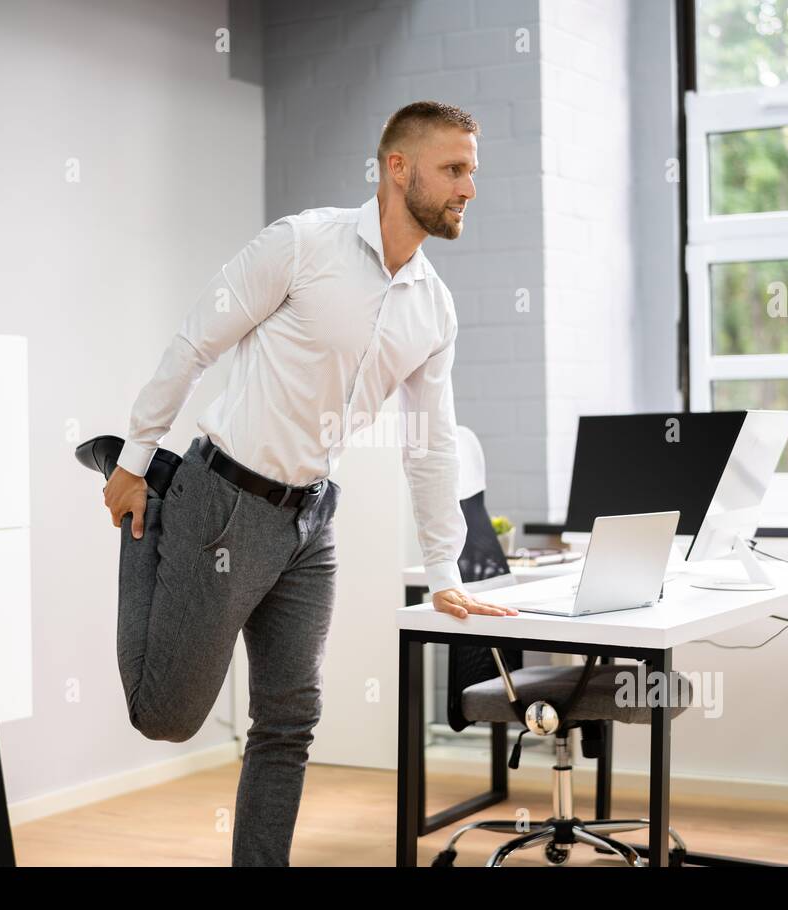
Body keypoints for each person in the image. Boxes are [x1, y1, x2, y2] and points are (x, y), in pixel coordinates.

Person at [80, 100, 516, 867]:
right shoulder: (303, 243)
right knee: (165, 719)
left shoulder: (434, 308)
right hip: (225, 503)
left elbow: (430, 442)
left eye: (473, 172)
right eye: (454, 169)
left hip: (311, 520)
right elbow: (195, 341)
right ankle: (151, 504)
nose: (469, 188)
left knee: (289, 719)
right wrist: (134, 460)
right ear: (398, 168)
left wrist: (444, 567)